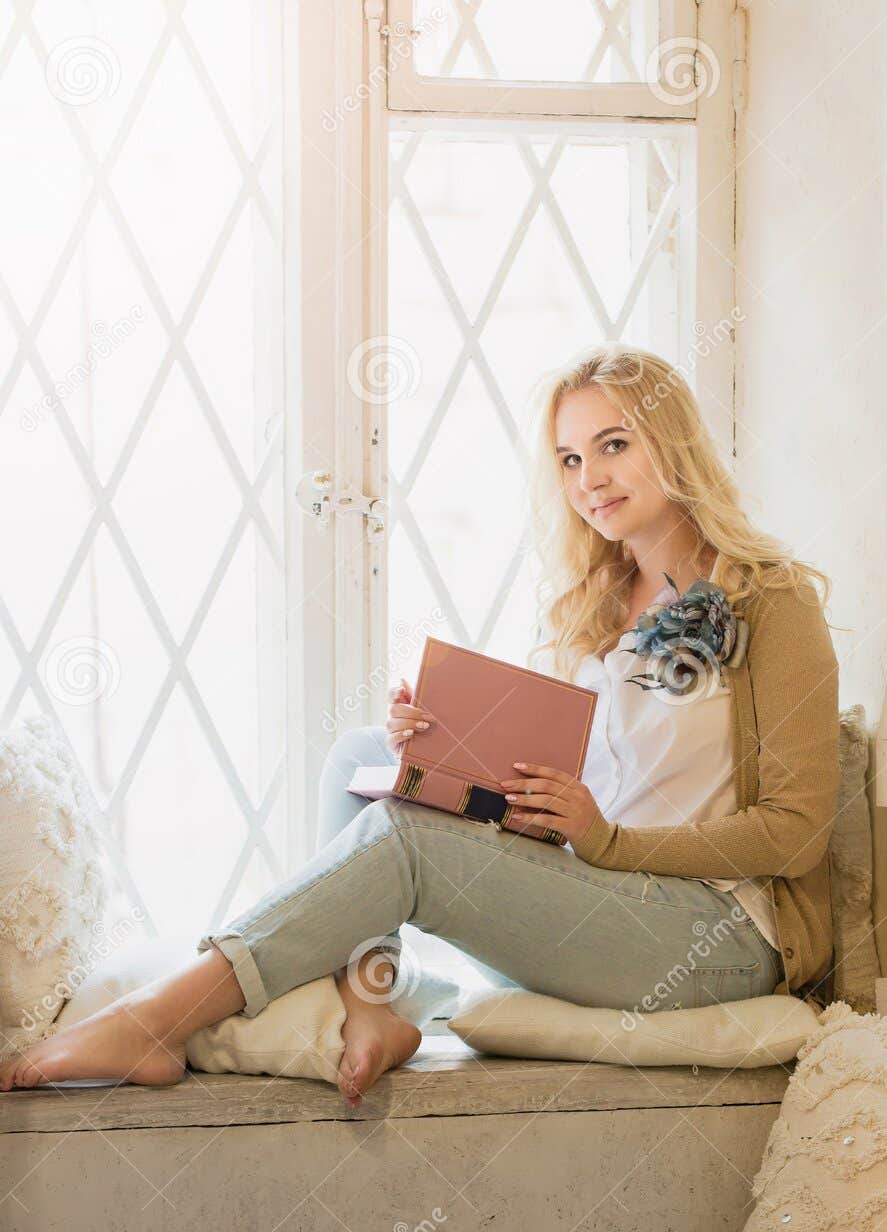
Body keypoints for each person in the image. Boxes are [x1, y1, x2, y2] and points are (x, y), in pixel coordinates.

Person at [0, 345, 839, 1103]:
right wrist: (441, 750)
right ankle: (372, 1003)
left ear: (675, 443)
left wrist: (610, 842)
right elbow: (562, 788)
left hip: (711, 934)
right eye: (570, 458)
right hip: (604, 891)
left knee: (404, 838)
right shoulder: (593, 607)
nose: (589, 477)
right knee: (363, 758)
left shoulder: (771, 599)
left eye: (614, 444)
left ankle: (157, 1018)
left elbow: (795, 832)